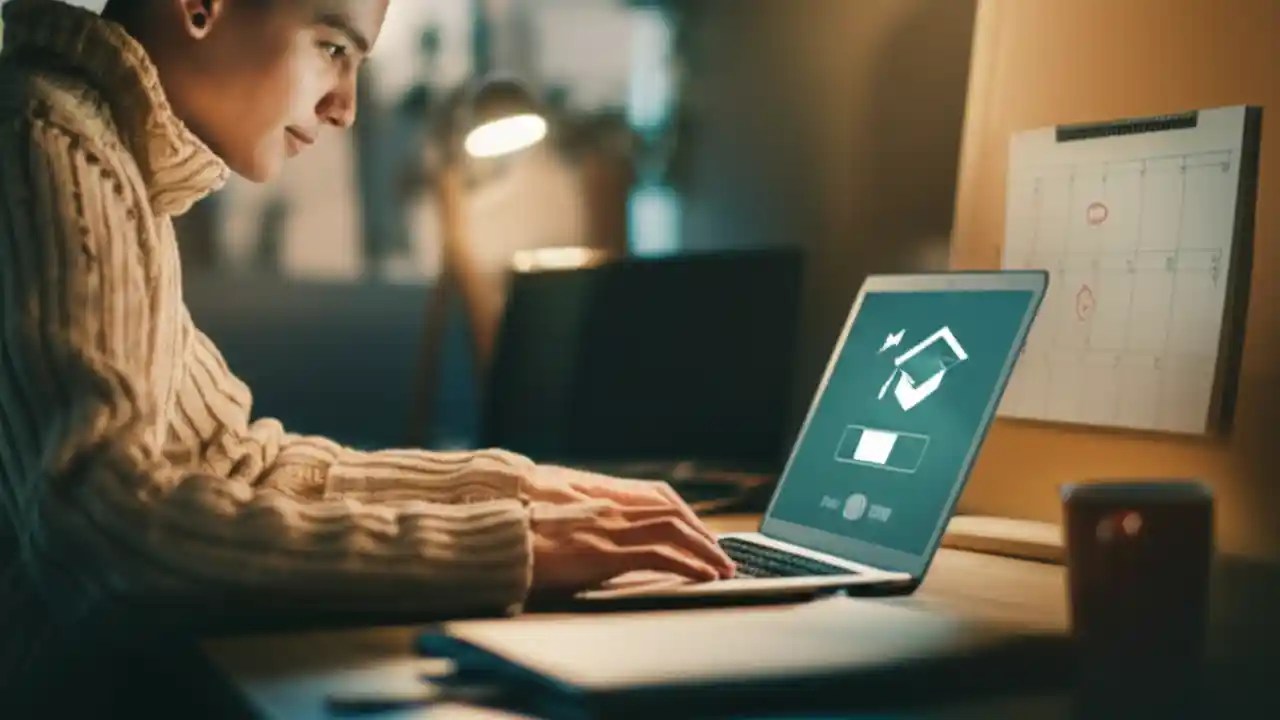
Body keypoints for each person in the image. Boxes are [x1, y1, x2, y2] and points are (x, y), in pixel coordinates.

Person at [0, 0, 733, 711]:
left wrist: (515, 489)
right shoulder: (50, 147)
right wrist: (501, 548)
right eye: (333, 47)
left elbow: (231, 465)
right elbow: (101, 526)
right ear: (198, 6)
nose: (345, 108)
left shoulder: (107, 158)